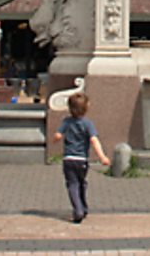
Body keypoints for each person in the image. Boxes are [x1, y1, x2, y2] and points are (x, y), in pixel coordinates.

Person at [53, 92, 111, 223]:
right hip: (82, 160)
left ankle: (78, 209)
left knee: (72, 184)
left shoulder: (66, 122)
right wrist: (102, 156)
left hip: (68, 159)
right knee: (82, 183)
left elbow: (58, 135)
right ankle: (83, 207)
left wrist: (55, 138)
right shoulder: (88, 124)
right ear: (86, 109)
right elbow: (94, 140)